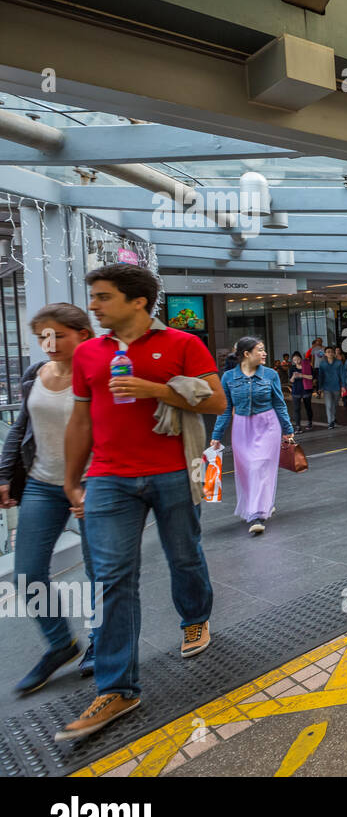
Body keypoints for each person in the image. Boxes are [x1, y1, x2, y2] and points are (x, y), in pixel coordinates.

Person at [57, 264, 224, 742]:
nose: (93, 306)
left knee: (184, 555)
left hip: (174, 471)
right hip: (109, 478)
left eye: (103, 297)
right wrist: (72, 481)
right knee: (111, 579)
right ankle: (118, 687)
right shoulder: (89, 353)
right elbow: (80, 422)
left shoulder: (182, 344)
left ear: (137, 302)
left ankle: (195, 620)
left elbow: (215, 401)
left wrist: (156, 389)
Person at [0, 303, 97, 693]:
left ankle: (100, 644)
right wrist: (5, 474)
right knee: (26, 572)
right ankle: (61, 643)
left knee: (99, 573)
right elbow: (20, 427)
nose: (49, 343)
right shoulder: (33, 375)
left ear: (83, 335)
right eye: (42, 336)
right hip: (42, 482)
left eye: (58, 334)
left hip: (92, 483)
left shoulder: (97, 375)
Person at [210, 337, 294, 536]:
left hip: (267, 425)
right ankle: (264, 504)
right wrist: (216, 435)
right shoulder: (228, 377)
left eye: (264, 350)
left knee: (259, 466)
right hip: (241, 427)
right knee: (248, 470)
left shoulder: (271, 375)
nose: (264, 353)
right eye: (260, 350)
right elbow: (225, 408)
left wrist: (287, 428)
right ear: (246, 354)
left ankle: (256, 515)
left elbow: (279, 403)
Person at [317, 346, 345, 429]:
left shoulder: (339, 363)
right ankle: (330, 422)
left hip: (336, 387)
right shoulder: (322, 363)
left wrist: (343, 386)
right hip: (326, 388)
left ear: (334, 353)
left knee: (334, 405)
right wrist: (320, 387)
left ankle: (333, 417)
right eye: (328, 352)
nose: (330, 353)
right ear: (325, 354)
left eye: (331, 352)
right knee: (329, 405)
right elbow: (320, 376)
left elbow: (342, 375)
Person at [289, 351, 313, 431]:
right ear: (293, 361)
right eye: (294, 360)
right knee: (296, 409)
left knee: (308, 407)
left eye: (298, 359)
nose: (297, 361)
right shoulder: (292, 368)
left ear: (301, 359)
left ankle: (310, 422)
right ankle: (298, 426)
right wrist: (293, 376)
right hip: (296, 391)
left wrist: (301, 375)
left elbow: (311, 377)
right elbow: (291, 381)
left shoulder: (307, 366)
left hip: (306, 390)